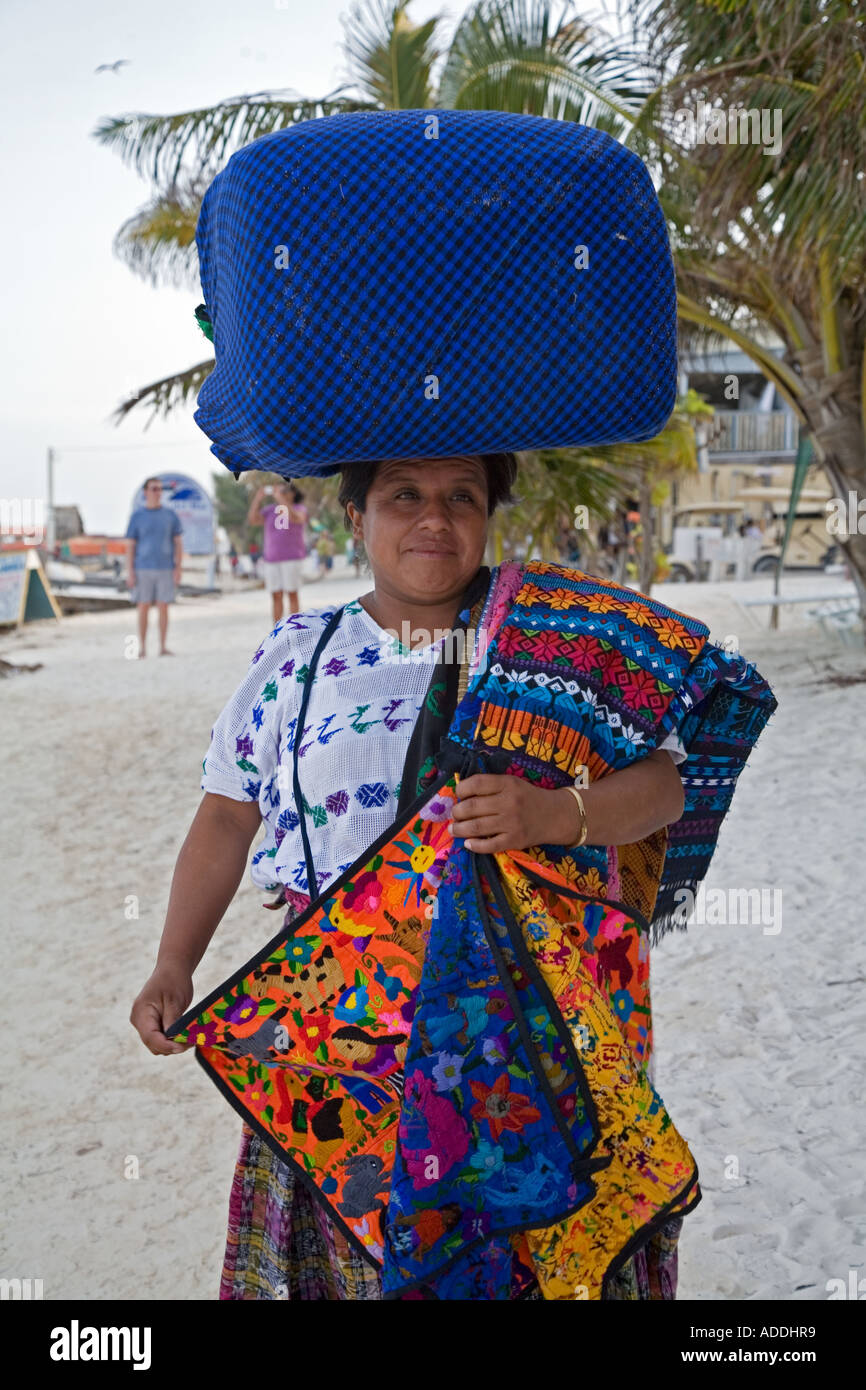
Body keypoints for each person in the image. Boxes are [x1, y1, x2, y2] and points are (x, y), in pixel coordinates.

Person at [130, 452, 775, 1301]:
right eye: (403, 497)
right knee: (355, 1256)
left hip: (510, 1019)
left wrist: (552, 816)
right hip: (336, 1024)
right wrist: (175, 961)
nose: (434, 519)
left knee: (516, 1249)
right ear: (355, 518)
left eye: (460, 498)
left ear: (486, 517)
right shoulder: (298, 655)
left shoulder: (556, 648)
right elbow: (226, 814)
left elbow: (662, 788)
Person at [125, 478, 183, 657]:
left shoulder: (170, 515)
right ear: (145, 492)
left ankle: (163, 647)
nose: (158, 492)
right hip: (142, 568)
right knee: (143, 607)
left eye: (159, 489)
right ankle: (142, 648)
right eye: (154, 488)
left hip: (165, 567)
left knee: (163, 606)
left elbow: (178, 542)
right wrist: (130, 572)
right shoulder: (137, 516)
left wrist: (178, 567)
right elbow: (130, 545)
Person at [247, 481, 308, 622]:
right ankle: (276, 629)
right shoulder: (269, 510)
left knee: (292, 593)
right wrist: (258, 498)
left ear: (293, 493)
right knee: (276, 595)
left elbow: (296, 518)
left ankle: (294, 627)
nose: (282, 494)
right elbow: (253, 520)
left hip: (292, 558)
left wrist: (280, 499)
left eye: (285, 491)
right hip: (272, 559)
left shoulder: (299, 508)